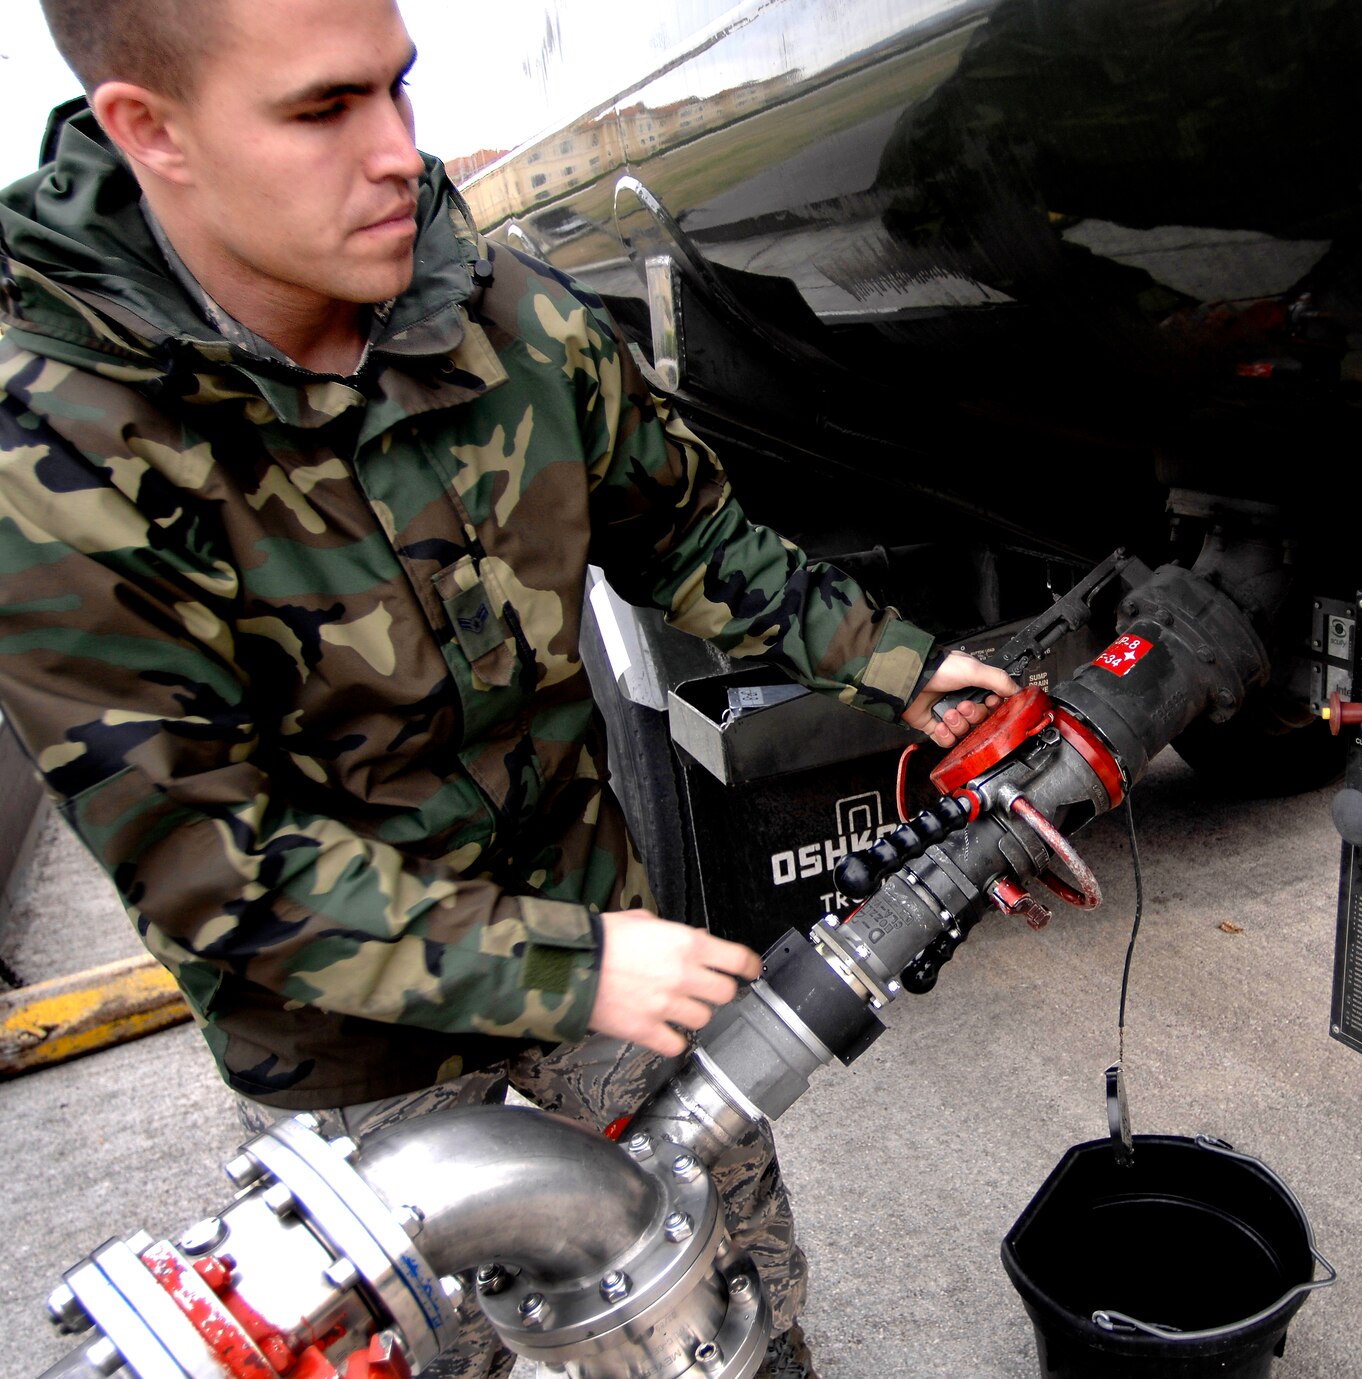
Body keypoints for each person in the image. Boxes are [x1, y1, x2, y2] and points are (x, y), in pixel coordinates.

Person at [0, 2, 1016, 1374]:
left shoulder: (509, 320)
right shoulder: (58, 452)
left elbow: (692, 536)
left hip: (586, 911)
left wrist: (907, 672)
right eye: (322, 110)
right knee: (435, 1342)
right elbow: (217, 870)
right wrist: (576, 965)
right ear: (149, 132)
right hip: (357, 1050)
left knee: (717, 1278)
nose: (396, 154)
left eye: (398, 90)